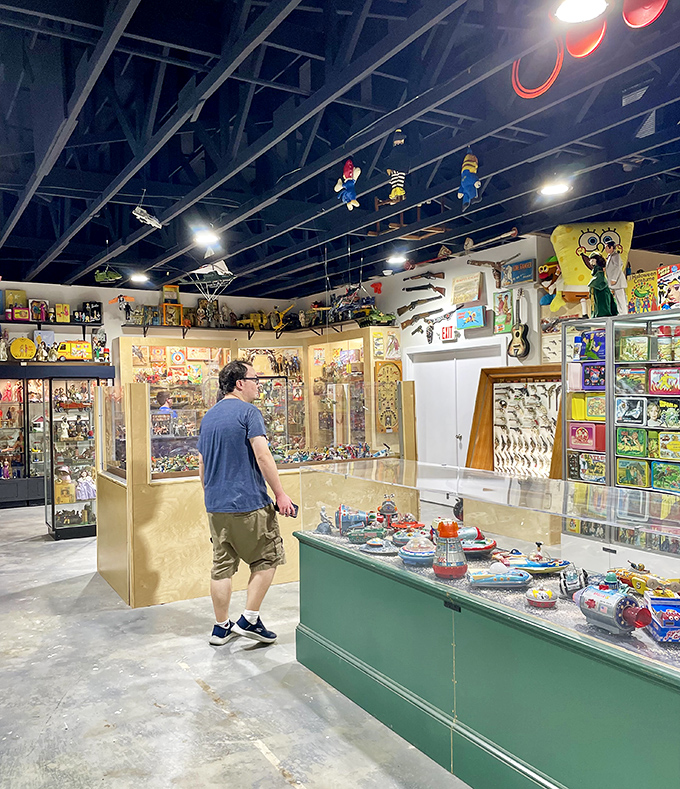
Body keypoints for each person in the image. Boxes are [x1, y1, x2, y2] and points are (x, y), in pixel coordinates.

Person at [198, 360, 296, 647]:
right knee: (267, 557)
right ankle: (250, 619)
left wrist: (212, 495)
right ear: (240, 383)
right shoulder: (249, 413)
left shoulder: (209, 417)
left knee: (221, 566)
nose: (258, 385)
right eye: (255, 379)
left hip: (216, 506)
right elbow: (263, 456)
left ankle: (221, 628)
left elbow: (202, 465)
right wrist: (280, 494)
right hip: (249, 503)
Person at [604, 240, 628, 314]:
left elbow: (618, 267)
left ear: (611, 247)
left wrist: (614, 279)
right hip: (615, 281)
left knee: (621, 298)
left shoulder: (615, 255)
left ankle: (623, 313)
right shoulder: (611, 256)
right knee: (618, 298)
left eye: (606, 247)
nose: (605, 249)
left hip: (617, 280)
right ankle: (621, 312)